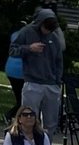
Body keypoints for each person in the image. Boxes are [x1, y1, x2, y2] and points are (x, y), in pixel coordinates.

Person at [10, 8, 64, 137]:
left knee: (51, 123)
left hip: (51, 84)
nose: (47, 32)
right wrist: (29, 48)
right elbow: (13, 50)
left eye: (50, 30)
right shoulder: (27, 32)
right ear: (40, 23)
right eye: (45, 28)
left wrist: (57, 80)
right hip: (33, 83)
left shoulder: (54, 37)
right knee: (29, 120)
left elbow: (59, 61)